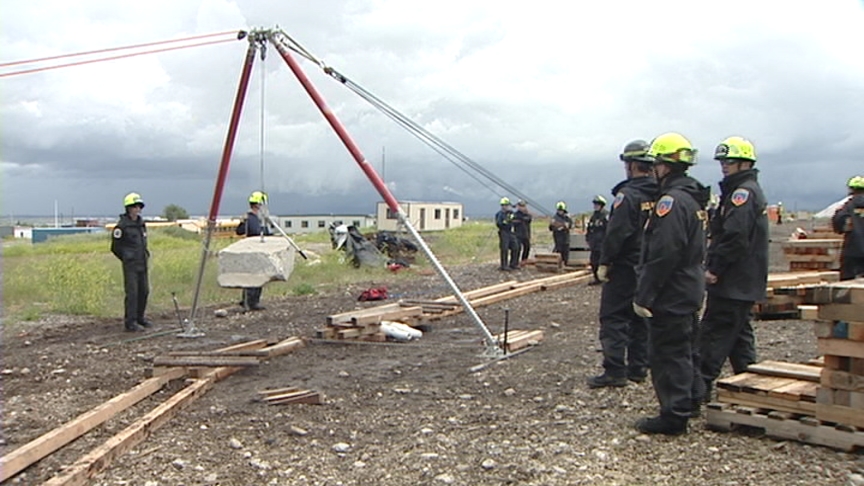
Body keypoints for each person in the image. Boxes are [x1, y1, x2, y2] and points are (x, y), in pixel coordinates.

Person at [633, 132, 710, 435]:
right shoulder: (691, 199)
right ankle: (692, 399)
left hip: (672, 290)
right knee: (687, 347)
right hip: (689, 285)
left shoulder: (671, 202)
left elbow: (664, 253)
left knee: (668, 352)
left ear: (663, 166)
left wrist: (645, 294)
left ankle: (674, 415)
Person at [699, 137, 769, 405]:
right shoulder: (742, 191)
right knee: (739, 339)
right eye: (722, 161)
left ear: (745, 163)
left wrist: (715, 267)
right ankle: (749, 388)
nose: (724, 166)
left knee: (712, 338)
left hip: (733, 282)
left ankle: (696, 393)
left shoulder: (742, 194)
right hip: (743, 283)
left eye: (729, 161)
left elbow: (734, 236)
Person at [588, 140, 657, 388]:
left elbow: (617, 233)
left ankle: (615, 370)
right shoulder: (661, 194)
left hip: (625, 266)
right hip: (648, 266)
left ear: (631, 165)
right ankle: (638, 367)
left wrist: (605, 261)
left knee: (614, 316)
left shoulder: (627, 196)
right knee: (640, 315)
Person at [111, 192, 153, 332]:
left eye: (139, 206)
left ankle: (140, 318)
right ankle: (130, 322)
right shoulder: (122, 226)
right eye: (135, 206)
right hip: (131, 265)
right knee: (132, 293)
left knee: (144, 291)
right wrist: (127, 257)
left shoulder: (141, 224)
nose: (137, 209)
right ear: (128, 208)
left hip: (142, 262)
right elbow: (115, 247)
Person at [236, 190, 272, 310]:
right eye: (262, 205)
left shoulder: (257, 218)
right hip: (253, 251)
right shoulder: (251, 218)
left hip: (257, 251)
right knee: (253, 277)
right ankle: (249, 301)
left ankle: (252, 301)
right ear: (257, 205)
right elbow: (243, 231)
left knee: (257, 277)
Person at [832, 176, 864, 280]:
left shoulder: (847, 207)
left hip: (852, 251)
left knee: (847, 282)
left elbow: (838, 223)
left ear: (851, 189)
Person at [586, 195, 609, 284]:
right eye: (595, 204)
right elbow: (589, 228)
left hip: (602, 243)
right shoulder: (593, 216)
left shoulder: (606, 216)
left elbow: (609, 230)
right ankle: (596, 278)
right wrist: (588, 238)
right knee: (593, 262)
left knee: (602, 262)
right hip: (594, 244)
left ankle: (603, 278)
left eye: (597, 204)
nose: (595, 206)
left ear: (601, 205)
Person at [495, 197, 520, 271]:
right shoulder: (500, 214)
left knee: (515, 247)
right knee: (504, 248)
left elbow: (515, 218)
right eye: (504, 205)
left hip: (510, 231)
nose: (505, 207)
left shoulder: (510, 213)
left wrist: (512, 217)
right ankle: (504, 265)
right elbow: (499, 223)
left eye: (507, 205)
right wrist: (506, 221)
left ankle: (513, 264)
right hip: (504, 232)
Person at [549, 201, 572, 265]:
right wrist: (553, 225)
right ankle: (558, 265)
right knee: (558, 252)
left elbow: (569, 226)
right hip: (558, 238)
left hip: (565, 239)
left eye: (561, 210)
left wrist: (563, 225)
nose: (560, 212)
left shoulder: (567, 218)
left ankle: (565, 264)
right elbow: (551, 228)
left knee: (565, 253)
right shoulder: (555, 218)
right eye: (559, 210)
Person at [512, 200, 533, 264]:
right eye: (521, 206)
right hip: (518, 234)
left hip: (526, 234)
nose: (523, 207)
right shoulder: (515, 214)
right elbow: (514, 222)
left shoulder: (527, 215)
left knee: (527, 247)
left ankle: (524, 260)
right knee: (518, 248)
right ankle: (515, 262)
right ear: (518, 206)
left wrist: (525, 215)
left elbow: (529, 219)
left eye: (524, 206)